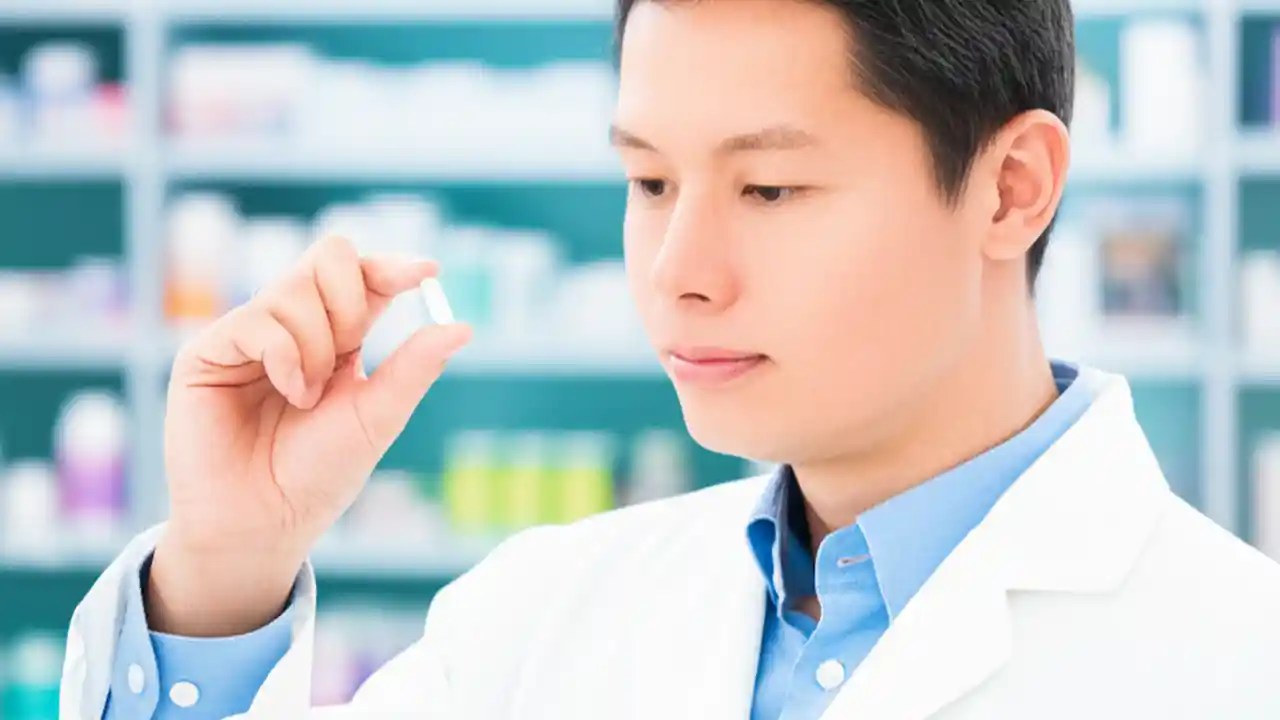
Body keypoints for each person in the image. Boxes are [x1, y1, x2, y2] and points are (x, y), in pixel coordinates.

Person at [62, 1, 1280, 718]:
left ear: (1009, 189)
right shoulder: (538, 617)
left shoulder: (1236, 664)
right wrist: (225, 571)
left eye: (769, 187)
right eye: (648, 181)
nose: (676, 271)